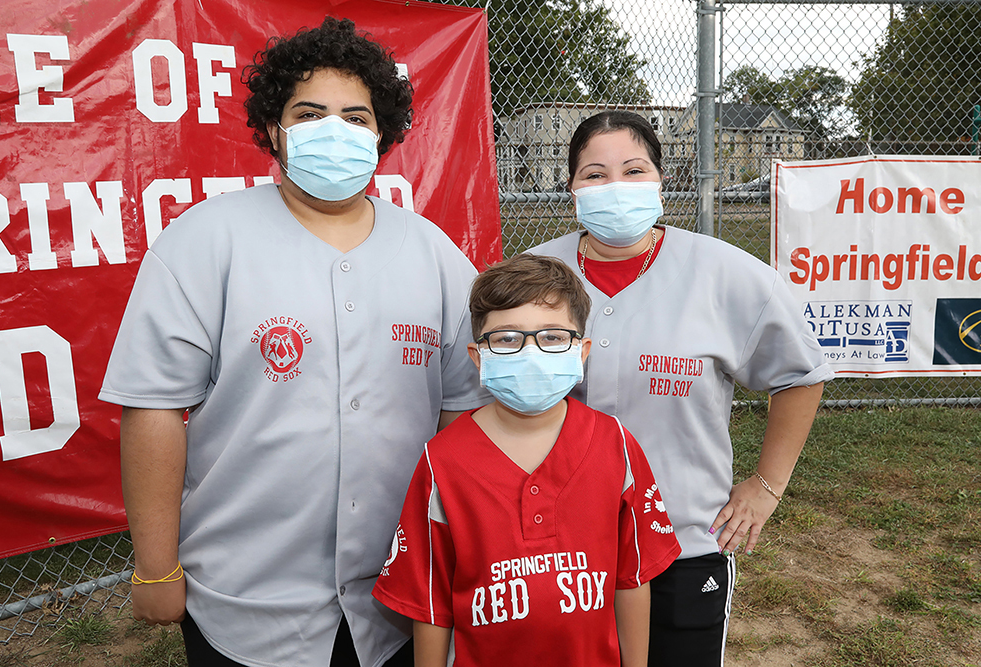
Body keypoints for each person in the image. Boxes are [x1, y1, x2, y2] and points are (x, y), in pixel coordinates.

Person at [99, 18, 487, 667]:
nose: (335, 130)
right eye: (309, 114)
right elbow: (154, 407)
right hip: (245, 599)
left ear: (383, 134)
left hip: (399, 598)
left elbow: (462, 411)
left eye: (356, 117)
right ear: (274, 130)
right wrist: (156, 566)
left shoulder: (436, 254)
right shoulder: (204, 241)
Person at [528, 111, 833, 666]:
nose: (615, 187)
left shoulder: (724, 273)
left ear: (661, 180)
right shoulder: (531, 276)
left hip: (683, 540)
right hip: (552, 546)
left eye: (633, 170)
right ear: (571, 186)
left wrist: (767, 486)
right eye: (594, 174)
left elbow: (800, 374)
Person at [372, 254, 682, 667]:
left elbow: (632, 578)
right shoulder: (442, 460)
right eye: (506, 339)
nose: (531, 353)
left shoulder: (617, 446)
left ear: (582, 351)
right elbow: (430, 602)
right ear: (478, 356)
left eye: (552, 337)